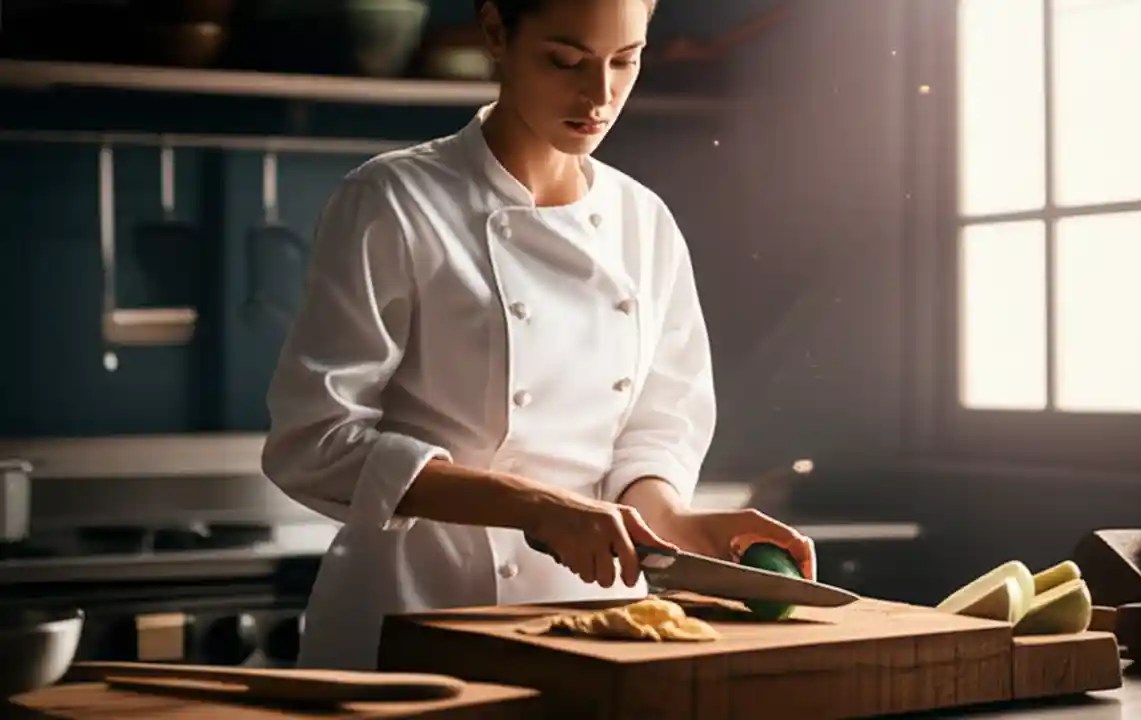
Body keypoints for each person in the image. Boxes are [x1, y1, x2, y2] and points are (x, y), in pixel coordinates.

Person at [261, 0, 816, 671]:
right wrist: (533, 506)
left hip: (599, 628)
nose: (601, 95)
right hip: (414, 618)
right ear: (496, 32)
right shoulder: (394, 201)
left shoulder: (643, 221)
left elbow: (655, 429)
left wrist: (679, 525)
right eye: (565, 60)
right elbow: (315, 443)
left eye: (625, 60)